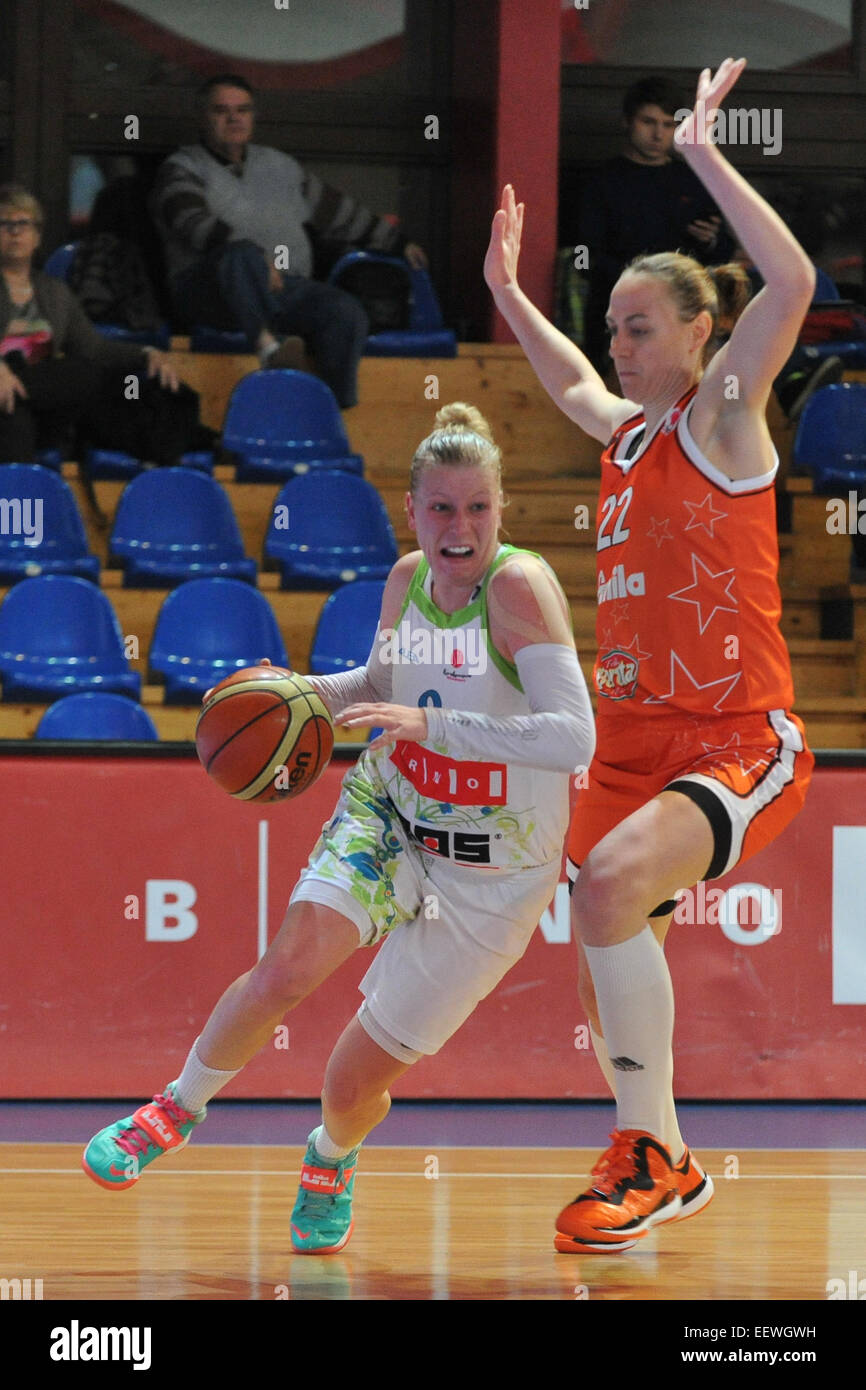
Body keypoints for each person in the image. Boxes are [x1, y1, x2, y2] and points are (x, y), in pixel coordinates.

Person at [82, 401, 596, 1254]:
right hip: (394, 811)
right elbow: (381, 682)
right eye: (440, 507)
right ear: (412, 511)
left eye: (476, 507)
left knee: (352, 1079)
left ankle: (330, 1155)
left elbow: (573, 736)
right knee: (287, 963)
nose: (458, 526)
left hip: (494, 874)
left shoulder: (519, 590)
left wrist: (435, 727)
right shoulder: (405, 579)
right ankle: (176, 1106)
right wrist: (297, 694)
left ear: (502, 510)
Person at [485, 57, 814, 1252]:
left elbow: (791, 277)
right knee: (602, 923)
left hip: (735, 734)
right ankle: (659, 1153)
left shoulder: (724, 413)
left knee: (613, 886)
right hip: (630, 743)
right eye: (611, 326)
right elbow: (566, 380)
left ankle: (649, 1152)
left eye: (639, 327)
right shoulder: (626, 436)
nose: (616, 346)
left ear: (697, 332)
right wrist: (508, 294)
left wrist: (700, 154)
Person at [151, 73, 428, 409]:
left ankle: (328, 413)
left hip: (283, 287)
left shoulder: (279, 166)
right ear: (202, 117)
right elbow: (191, 223)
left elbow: (339, 212)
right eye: (221, 111)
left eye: (243, 110)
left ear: (254, 117)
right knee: (240, 254)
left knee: (345, 312)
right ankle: (269, 350)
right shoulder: (182, 167)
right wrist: (256, 258)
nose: (234, 118)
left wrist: (398, 243)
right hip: (209, 292)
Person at [0, 184, 181, 464]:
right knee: (15, 419)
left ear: (37, 236)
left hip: (38, 401)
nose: (14, 232)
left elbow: (94, 348)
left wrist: (146, 353)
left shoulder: (54, 291)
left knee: (84, 371)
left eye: (23, 223)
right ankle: (21, 503)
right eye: (5, 223)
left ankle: (19, 505)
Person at [576, 75, 736, 375]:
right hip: (618, 310)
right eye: (648, 122)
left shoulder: (693, 179)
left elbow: (723, 251)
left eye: (668, 125)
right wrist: (633, 285)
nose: (657, 133)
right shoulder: (602, 181)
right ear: (627, 122)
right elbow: (583, 256)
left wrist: (712, 241)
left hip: (682, 311)